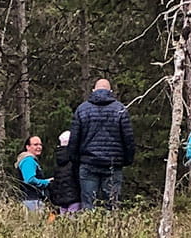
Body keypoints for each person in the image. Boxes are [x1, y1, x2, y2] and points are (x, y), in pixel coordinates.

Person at [68, 76, 135, 212]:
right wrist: (127, 160)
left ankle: (88, 231)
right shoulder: (120, 109)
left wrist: (75, 159)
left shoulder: (82, 109)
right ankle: (111, 231)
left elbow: (74, 139)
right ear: (110, 91)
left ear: (93, 90)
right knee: (112, 204)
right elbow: (128, 139)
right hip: (113, 164)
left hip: (88, 163)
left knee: (88, 204)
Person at [47, 126, 82, 217]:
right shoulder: (74, 159)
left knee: (64, 220)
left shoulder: (58, 160)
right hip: (74, 197)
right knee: (73, 222)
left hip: (61, 199)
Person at [14, 134, 49, 213]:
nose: (39, 147)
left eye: (40, 145)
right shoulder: (28, 160)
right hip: (31, 201)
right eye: (35, 145)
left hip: (31, 200)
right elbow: (30, 179)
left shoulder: (30, 160)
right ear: (28, 147)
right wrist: (47, 182)